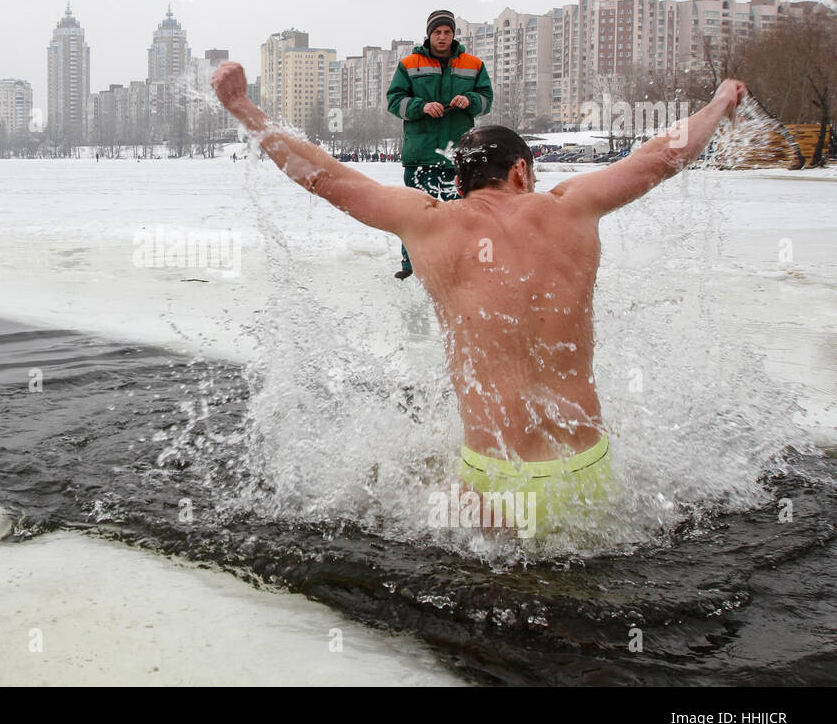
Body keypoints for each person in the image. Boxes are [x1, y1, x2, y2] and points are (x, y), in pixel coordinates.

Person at [212, 60, 748, 532]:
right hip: (587, 470)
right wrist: (720, 103)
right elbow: (659, 157)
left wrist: (242, 107)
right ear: (521, 171)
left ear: (461, 181)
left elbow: (325, 178)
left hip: (493, 484)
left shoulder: (429, 225)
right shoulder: (571, 208)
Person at [386, 10, 494, 280]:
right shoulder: (409, 64)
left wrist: (469, 100)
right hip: (420, 153)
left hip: (458, 154)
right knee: (417, 213)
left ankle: (457, 264)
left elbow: (486, 99)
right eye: (438, 32)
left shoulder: (473, 64)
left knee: (458, 214)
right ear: (429, 34)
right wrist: (421, 106)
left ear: (454, 34)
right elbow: (394, 101)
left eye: (447, 32)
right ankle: (411, 266)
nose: (443, 37)